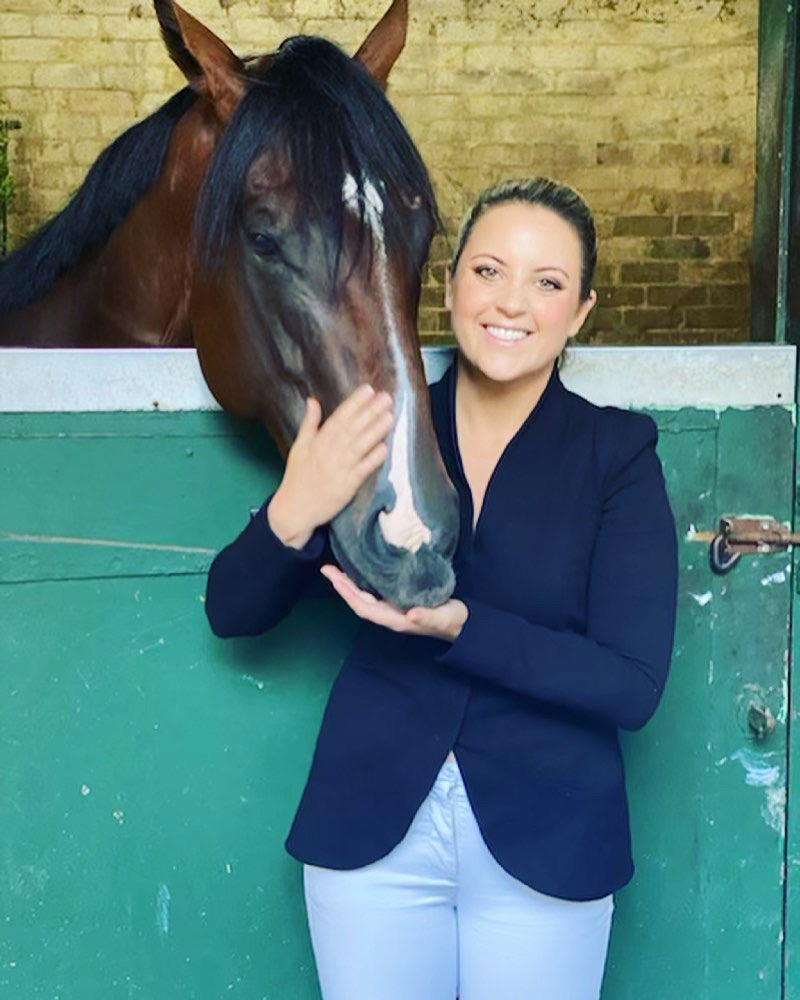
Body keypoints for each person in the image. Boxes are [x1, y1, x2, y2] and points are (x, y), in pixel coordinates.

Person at [204, 177, 679, 1000]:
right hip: (371, 834)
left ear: (582, 312)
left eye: (548, 283)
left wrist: (462, 628)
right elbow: (232, 609)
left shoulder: (618, 454)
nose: (513, 303)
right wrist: (292, 509)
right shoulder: (374, 427)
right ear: (450, 284)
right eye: (489, 271)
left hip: (550, 837)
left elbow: (631, 685)